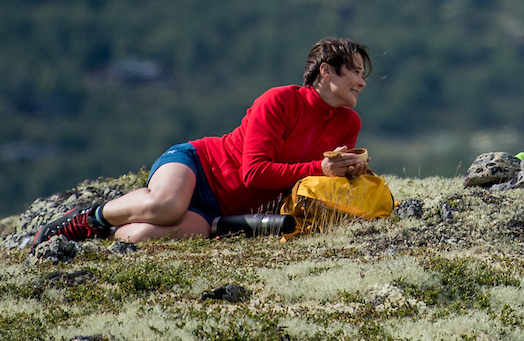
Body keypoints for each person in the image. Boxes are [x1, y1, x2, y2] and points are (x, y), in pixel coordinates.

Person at [31, 38, 373, 245]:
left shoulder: (348, 123)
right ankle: (91, 217)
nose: (362, 82)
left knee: (141, 238)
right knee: (167, 206)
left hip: (222, 211)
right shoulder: (279, 100)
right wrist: (322, 167)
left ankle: (105, 234)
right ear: (326, 72)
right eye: (356, 72)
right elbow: (253, 173)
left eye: (363, 75)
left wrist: (348, 173)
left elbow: (313, 182)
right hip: (198, 165)